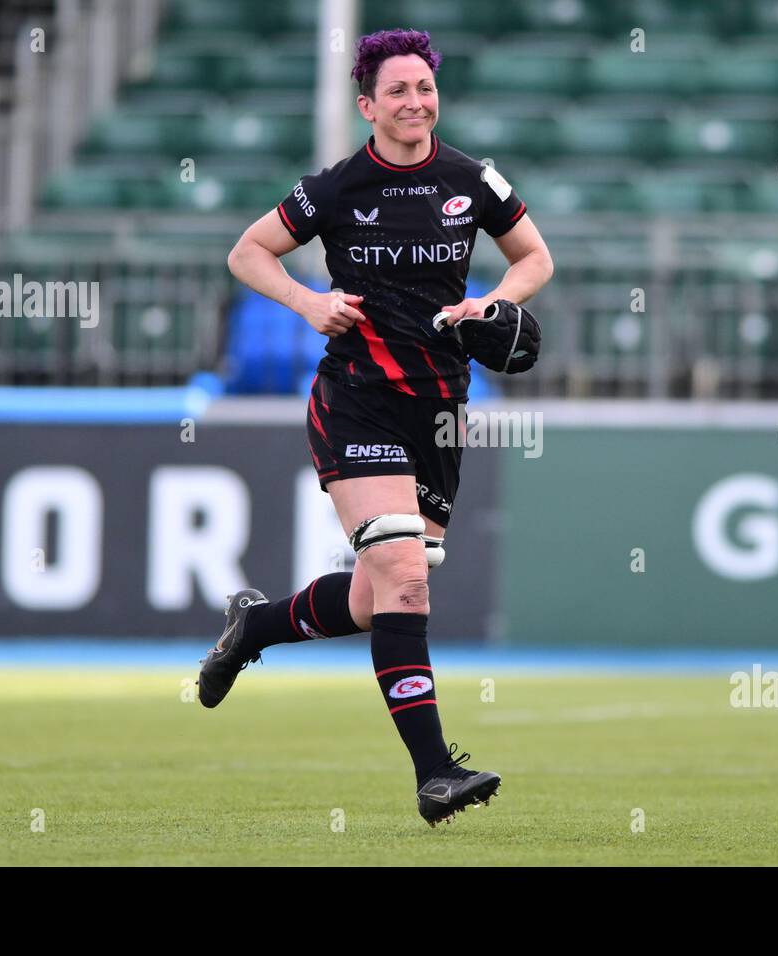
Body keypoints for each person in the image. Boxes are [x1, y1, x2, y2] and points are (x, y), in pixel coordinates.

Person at [198, 28, 554, 827]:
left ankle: (254, 626)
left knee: (373, 599)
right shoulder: (335, 187)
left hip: (440, 410)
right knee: (405, 576)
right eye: (397, 90)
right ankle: (436, 774)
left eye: (424, 87)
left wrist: (494, 303)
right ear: (367, 104)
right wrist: (308, 303)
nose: (415, 101)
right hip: (355, 397)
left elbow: (534, 258)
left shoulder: (471, 177)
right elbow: (248, 252)